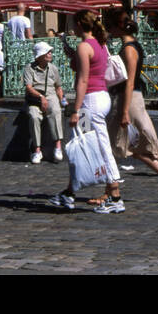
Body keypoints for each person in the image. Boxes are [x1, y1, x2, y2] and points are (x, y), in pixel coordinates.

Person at [50, 11, 123, 214]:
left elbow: (82, 80)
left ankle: (115, 195)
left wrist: (76, 109)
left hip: (89, 101)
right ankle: (70, 193)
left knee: (98, 147)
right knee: (83, 147)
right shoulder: (98, 43)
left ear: (80, 25)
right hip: (102, 97)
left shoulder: (84, 46)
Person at [107, 10, 158, 203]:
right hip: (131, 98)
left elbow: (130, 81)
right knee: (136, 148)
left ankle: (110, 191)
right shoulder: (130, 46)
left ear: (117, 27)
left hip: (129, 100)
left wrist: (124, 112)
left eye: (110, 27)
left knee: (115, 146)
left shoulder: (129, 49)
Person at [22, 42, 65, 164]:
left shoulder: (53, 68)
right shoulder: (29, 68)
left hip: (50, 95)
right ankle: (37, 150)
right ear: (40, 55)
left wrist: (62, 99)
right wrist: (41, 97)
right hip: (35, 97)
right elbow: (29, 87)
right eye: (47, 52)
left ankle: (58, 147)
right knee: (34, 116)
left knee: (56, 111)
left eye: (50, 52)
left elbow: (58, 87)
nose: (50, 54)